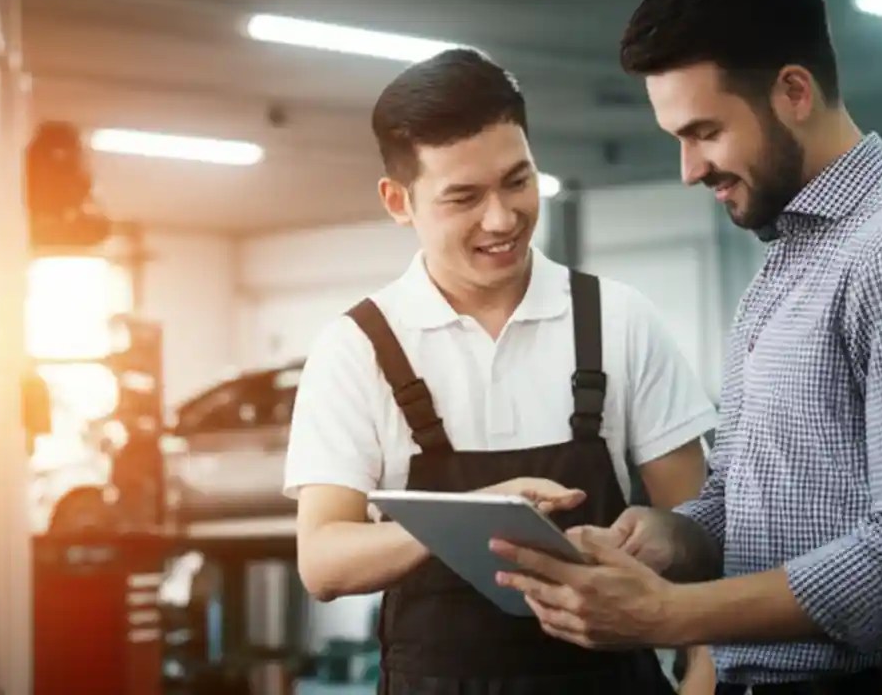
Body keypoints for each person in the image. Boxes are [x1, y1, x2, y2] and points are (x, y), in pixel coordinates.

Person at [490, 0, 882, 694]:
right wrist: (675, 538)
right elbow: (752, 496)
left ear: (794, 91)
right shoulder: (787, 263)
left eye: (705, 132)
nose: (689, 169)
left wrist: (673, 615)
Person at [283, 47, 720, 694]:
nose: (502, 218)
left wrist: (704, 674)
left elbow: (706, 532)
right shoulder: (357, 347)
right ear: (398, 201)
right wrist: (466, 518)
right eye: (463, 197)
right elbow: (322, 563)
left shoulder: (619, 321)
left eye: (518, 181)